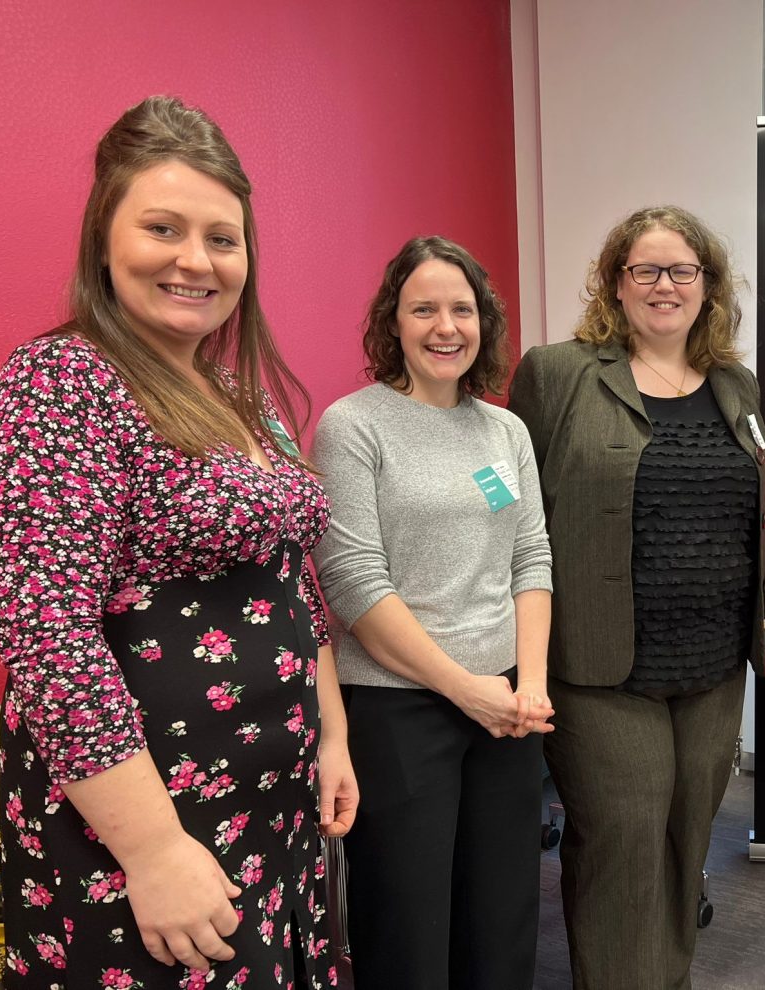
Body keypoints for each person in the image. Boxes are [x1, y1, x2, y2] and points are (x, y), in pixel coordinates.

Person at [0, 96, 356, 989]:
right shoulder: (59, 382)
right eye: (163, 228)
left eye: (222, 238)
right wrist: (153, 850)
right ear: (104, 240)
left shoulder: (239, 391)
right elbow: (46, 634)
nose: (196, 260)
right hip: (142, 830)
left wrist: (332, 737)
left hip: (271, 810)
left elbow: (291, 584)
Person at [508, 205, 765, 990]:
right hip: (597, 661)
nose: (665, 285)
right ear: (616, 285)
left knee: (688, 836)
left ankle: (670, 977)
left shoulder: (737, 384)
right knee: (623, 837)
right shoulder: (558, 373)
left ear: (709, 286)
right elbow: (514, 513)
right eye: (645, 270)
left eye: (682, 270)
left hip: (716, 661)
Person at [311, 236, 553, 990]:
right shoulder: (354, 427)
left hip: (507, 705)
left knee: (504, 912)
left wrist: (530, 686)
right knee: (409, 921)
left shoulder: (504, 430)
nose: (445, 326)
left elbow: (532, 558)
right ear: (395, 321)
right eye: (424, 309)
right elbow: (352, 582)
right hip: (397, 707)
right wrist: (464, 686)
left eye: (462, 308)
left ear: (484, 321)